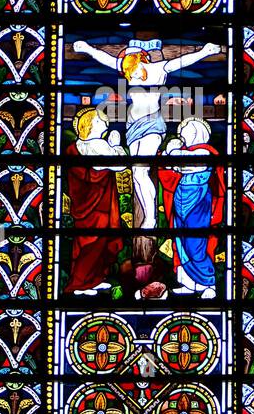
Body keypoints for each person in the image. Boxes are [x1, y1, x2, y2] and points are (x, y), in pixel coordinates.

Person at [71, 39, 222, 234]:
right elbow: (106, 59)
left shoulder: (159, 69)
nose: (131, 76)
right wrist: (87, 48)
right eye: (128, 73)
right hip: (132, 126)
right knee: (136, 173)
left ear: (140, 59)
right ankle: (147, 215)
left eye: (132, 70)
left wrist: (205, 51)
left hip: (152, 125)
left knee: (141, 172)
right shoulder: (127, 66)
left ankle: (150, 219)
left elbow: (182, 61)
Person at [157, 117, 225, 298]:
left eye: (184, 130)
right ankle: (188, 282)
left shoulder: (205, 152)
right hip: (180, 203)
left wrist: (172, 152)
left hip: (198, 204)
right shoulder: (184, 152)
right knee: (180, 243)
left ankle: (208, 283)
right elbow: (172, 166)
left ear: (196, 132)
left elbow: (185, 164)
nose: (181, 134)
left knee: (196, 245)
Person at [62, 108, 124, 295]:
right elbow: (85, 175)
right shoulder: (74, 149)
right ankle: (80, 283)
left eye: (104, 122)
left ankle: (95, 279)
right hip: (87, 206)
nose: (104, 125)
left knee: (102, 242)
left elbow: (119, 165)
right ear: (86, 125)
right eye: (99, 121)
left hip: (104, 204)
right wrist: (106, 165)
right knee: (89, 243)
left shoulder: (102, 145)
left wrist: (114, 151)